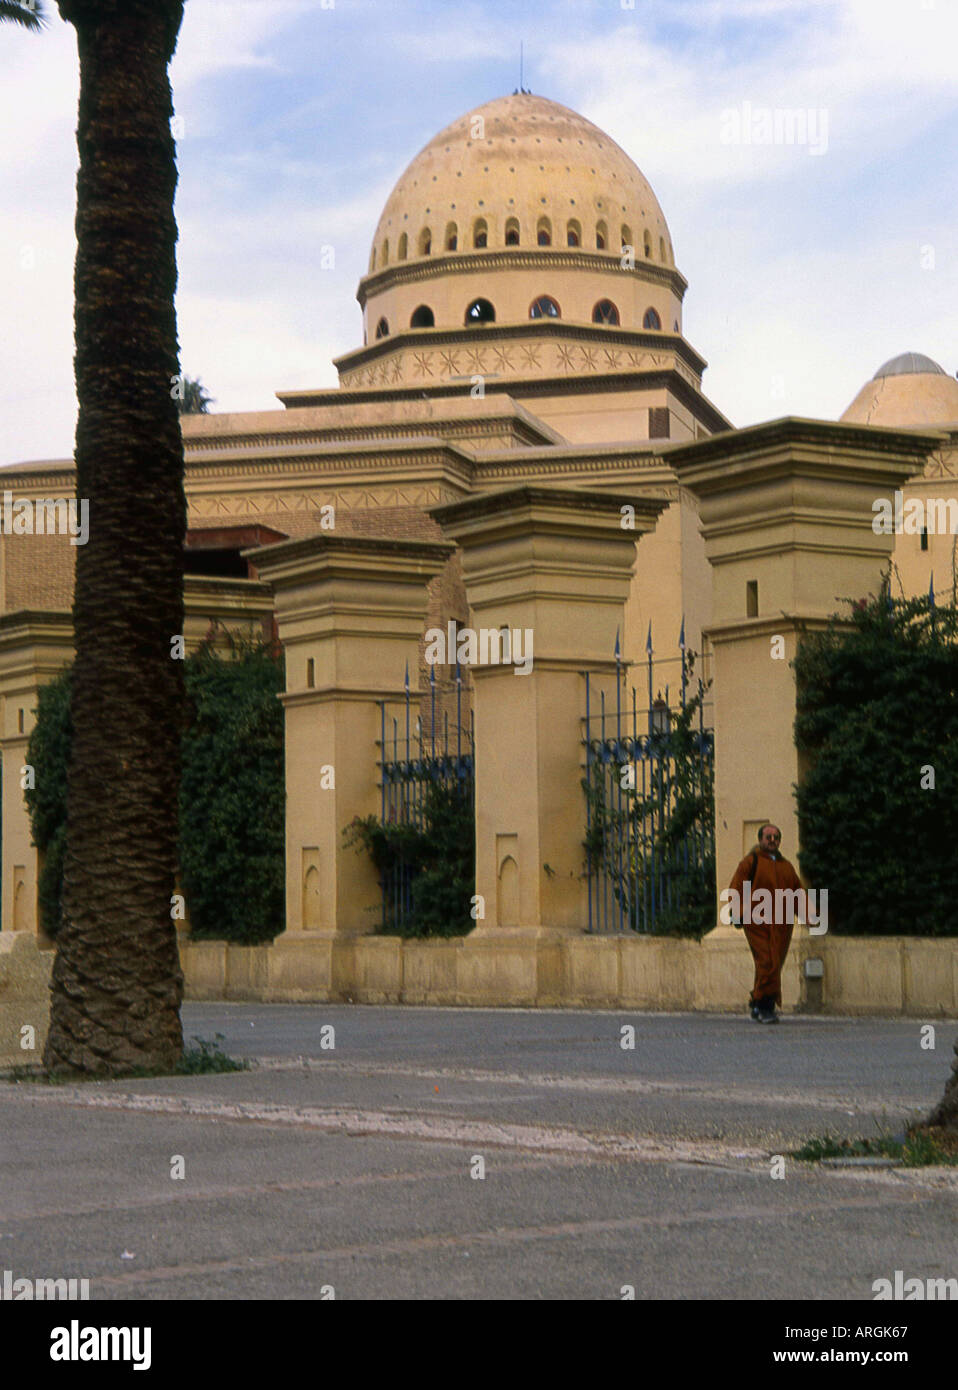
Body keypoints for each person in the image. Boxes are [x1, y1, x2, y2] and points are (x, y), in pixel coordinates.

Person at [728, 823, 804, 1024]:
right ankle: (765, 1007)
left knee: (773, 963)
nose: (772, 840)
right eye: (768, 836)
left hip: (781, 925)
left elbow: (797, 893)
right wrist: (738, 912)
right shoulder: (750, 862)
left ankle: (756, 1001)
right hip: (756, 922)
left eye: (776, 837)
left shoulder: (786, 867)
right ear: (760, 839)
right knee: (767, 961)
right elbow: (736, 887)